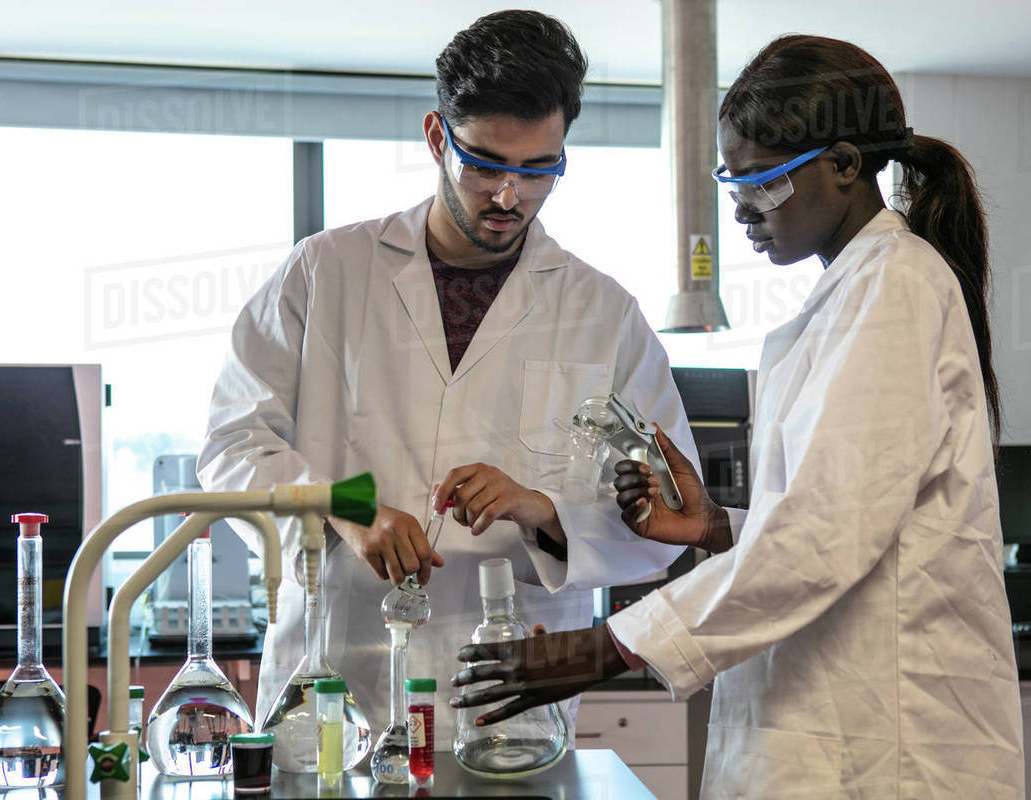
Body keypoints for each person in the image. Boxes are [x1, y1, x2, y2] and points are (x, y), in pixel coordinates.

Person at [451, 34, 1025, 798]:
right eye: (731, 181)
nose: (741, 210)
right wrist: (717, 527)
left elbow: (823, 540)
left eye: (763, 184)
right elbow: (847, 522)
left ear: (846, 166)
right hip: (836, 736)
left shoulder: (895, 290)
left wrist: (602, 648)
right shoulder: (852, 295)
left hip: (889, 751)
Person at [197, 10, 696, 750]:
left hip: (510, 691)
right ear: (437, 137)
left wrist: (544, 510)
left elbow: (667, 517)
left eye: (539, 170)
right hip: (339, 672)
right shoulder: (325, 273)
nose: (509, 196)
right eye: (487, 164)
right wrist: (345, 507)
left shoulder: (603, 312)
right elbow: (232, 445)